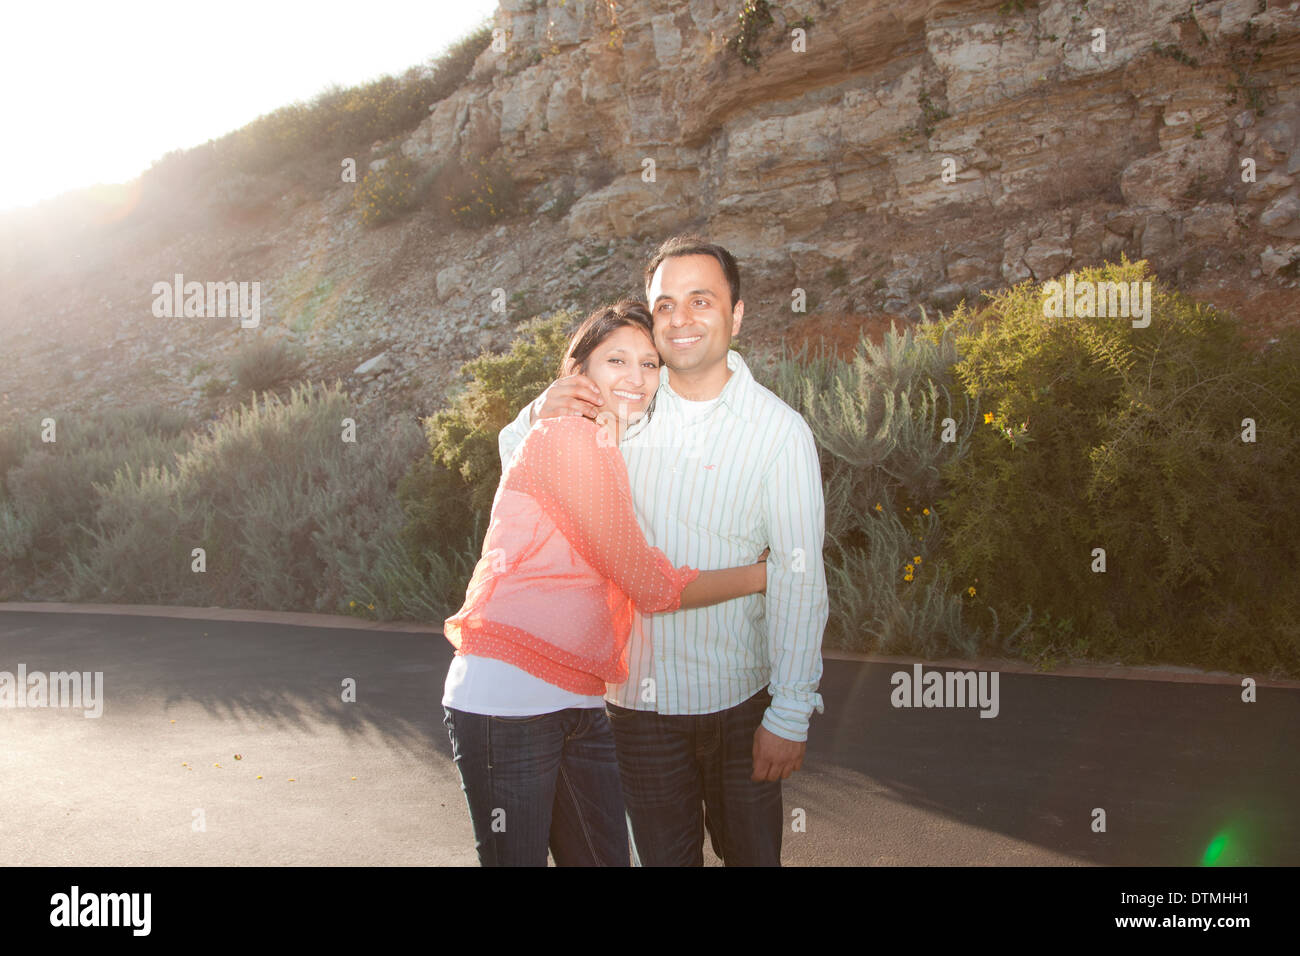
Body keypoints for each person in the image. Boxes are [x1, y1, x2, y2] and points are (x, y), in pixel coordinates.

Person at [498, 235, 829, 867]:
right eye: (665, 304)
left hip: (740, 700)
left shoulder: (780, 433)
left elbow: (798, 575)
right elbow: (528, 472)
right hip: (637, 708)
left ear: (735, 315)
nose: (680, 319)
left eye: (701, 300)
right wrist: (537, 409)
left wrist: (790, 710)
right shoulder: (626, 404)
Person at [442, 299, 770, 867]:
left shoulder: (600, 444)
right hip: (507, 701)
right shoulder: (569, 439)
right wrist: (763, 575)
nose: (636, 378)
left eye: (649, 364)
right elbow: (650, 585)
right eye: (616, 360)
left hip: (580, 701)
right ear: (580, 372)